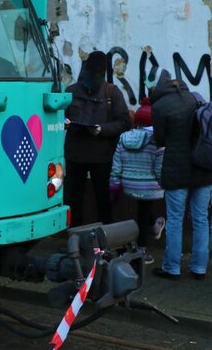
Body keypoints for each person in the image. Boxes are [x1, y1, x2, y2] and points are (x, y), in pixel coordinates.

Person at [149, 69, 212, 280]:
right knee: (201, 219)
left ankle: (172, 268)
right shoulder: (194, 98)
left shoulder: (159, 107)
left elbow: (160, 139)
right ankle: (199, 268)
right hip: (203, 167)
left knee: (175, 220)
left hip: (176, 170)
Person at [63, 51, 131, 224]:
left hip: (102, 158)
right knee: (73, 199)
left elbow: (124, 122)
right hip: (75, 157)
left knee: (103, 200)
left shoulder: (112, 93)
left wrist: (102, 130)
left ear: (102, 73)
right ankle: (74, 239)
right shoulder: (71, 92)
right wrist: (64, 123)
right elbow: (57, 118)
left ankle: (104, 242)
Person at [109, 98, 163, 263]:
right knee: (144, 211)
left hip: (129, 185)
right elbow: (159, 168)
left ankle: (155, 226)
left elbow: (116, 165)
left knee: (143, 209)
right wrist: (164, 183)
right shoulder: (157, 140)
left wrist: (114, 185)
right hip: (150, 187)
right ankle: (142, 250)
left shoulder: (124, 137)